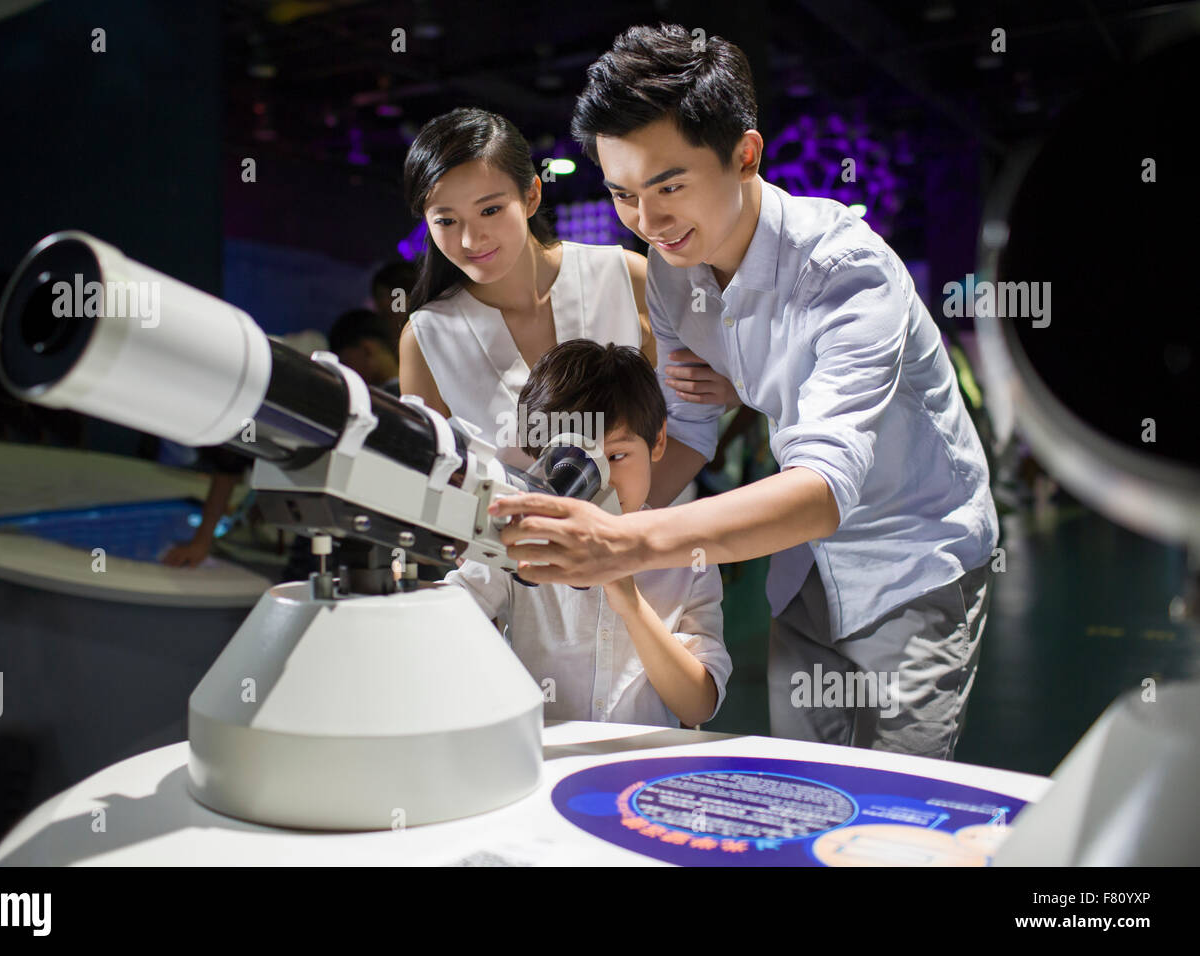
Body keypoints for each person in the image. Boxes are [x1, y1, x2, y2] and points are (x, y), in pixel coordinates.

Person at [490, 24, 999, 760]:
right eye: (623, 194)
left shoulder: (846, 271)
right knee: (803, 783)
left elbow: (824, 487)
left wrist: (618, 542)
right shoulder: (671, 272)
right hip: (801, 562)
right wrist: (585, 509)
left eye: (669, 187)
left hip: (911, 557)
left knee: (899, 797)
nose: (648, 222)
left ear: (746, 154)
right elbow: (690, 430)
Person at [397, 105, 735, 484]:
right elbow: (431, 481)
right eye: (446, 221)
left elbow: (713, 398)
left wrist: (733, 389)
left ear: (531, 196)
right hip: (517, 541)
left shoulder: (627, 277)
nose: (471, 239)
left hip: (651, 526)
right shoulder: (427, 338)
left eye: (490, 210)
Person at [444, 340, 731, 728]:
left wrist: (629, 601)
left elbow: (697, 707)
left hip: (643, 766)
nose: (601, 483)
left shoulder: (686, 558)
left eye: (616, 457)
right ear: (541, 457)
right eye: (572, 460)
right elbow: (448, 619)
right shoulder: (521, 541)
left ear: (657, 441)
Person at [327, 308, 400, 395]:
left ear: (367, 350)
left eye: (346, 362)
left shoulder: (372, 404)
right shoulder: (417, 388)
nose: (344, 374)